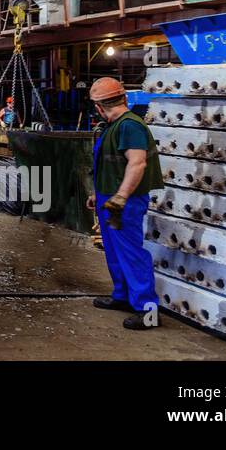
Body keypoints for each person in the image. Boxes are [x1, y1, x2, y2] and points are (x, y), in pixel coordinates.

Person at [86, 76, 164, 329]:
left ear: (98, 106)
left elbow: (137, 162)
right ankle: (122, 296)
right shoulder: (114, 125)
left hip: (125, 200)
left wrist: (120, 197)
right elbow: (114, 165)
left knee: (131, 253)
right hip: (109, 197)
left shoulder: (130, 126)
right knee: (114, 251)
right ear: (124, 98)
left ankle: (148, 311)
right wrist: (98, 194)